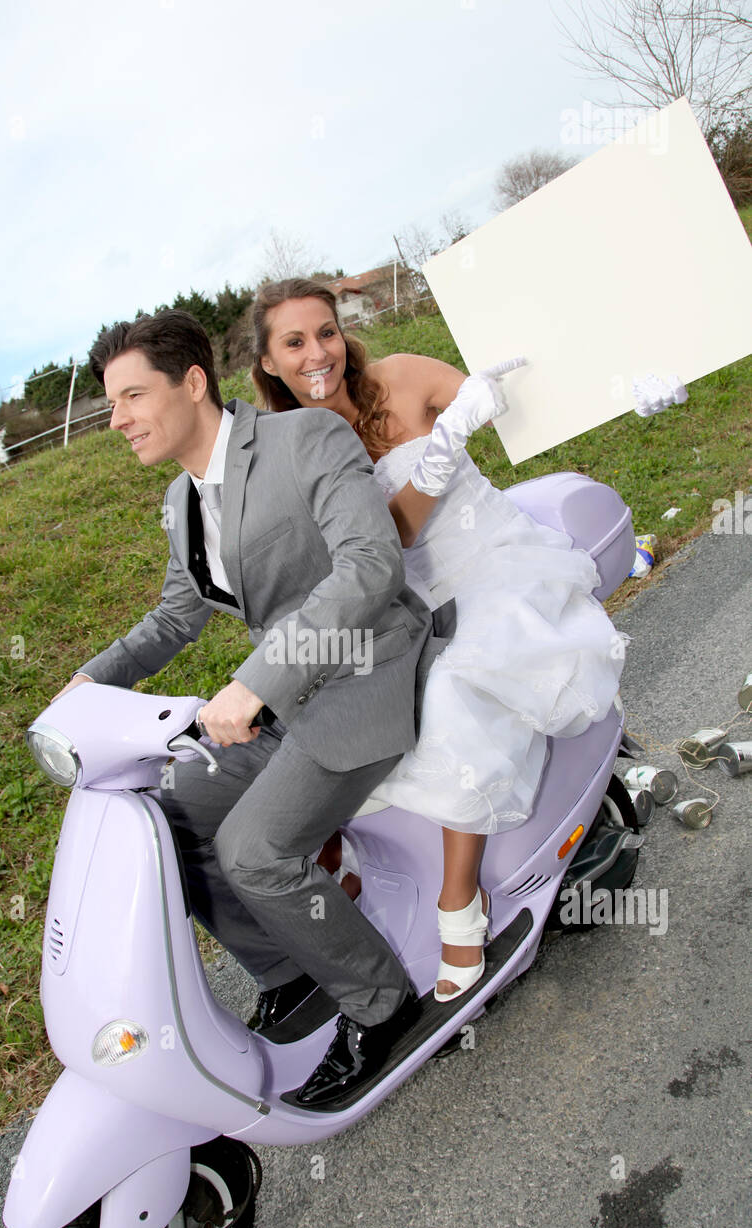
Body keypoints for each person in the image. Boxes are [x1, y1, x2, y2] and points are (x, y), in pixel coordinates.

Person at [53, 307, 451, 1111]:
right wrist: (89, 684)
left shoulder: (304, 439)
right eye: (111, 405)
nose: (119, 420)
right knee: (174, 817)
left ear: (192, 383)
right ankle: (291, 970)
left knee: (254, 850)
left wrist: (259, 681)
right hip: (285, 696)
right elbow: (175, 615)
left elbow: (371, 565)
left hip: (366, 673)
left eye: (132, 397)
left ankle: (381, 1005)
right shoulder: (181, 499)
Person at [252, 278, 631, 1003]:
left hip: (493, 564)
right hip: (410, 597)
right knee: (329, 713)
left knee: (455, 690)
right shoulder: (294, 453)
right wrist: (441, 446)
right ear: (268, 363)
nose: (317, 353)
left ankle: (459, 900)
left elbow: (522, 402)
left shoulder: (401, 376)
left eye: (325, 332)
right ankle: (350, 864)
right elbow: (379, 545)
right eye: (293, 342)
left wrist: (629, 387)